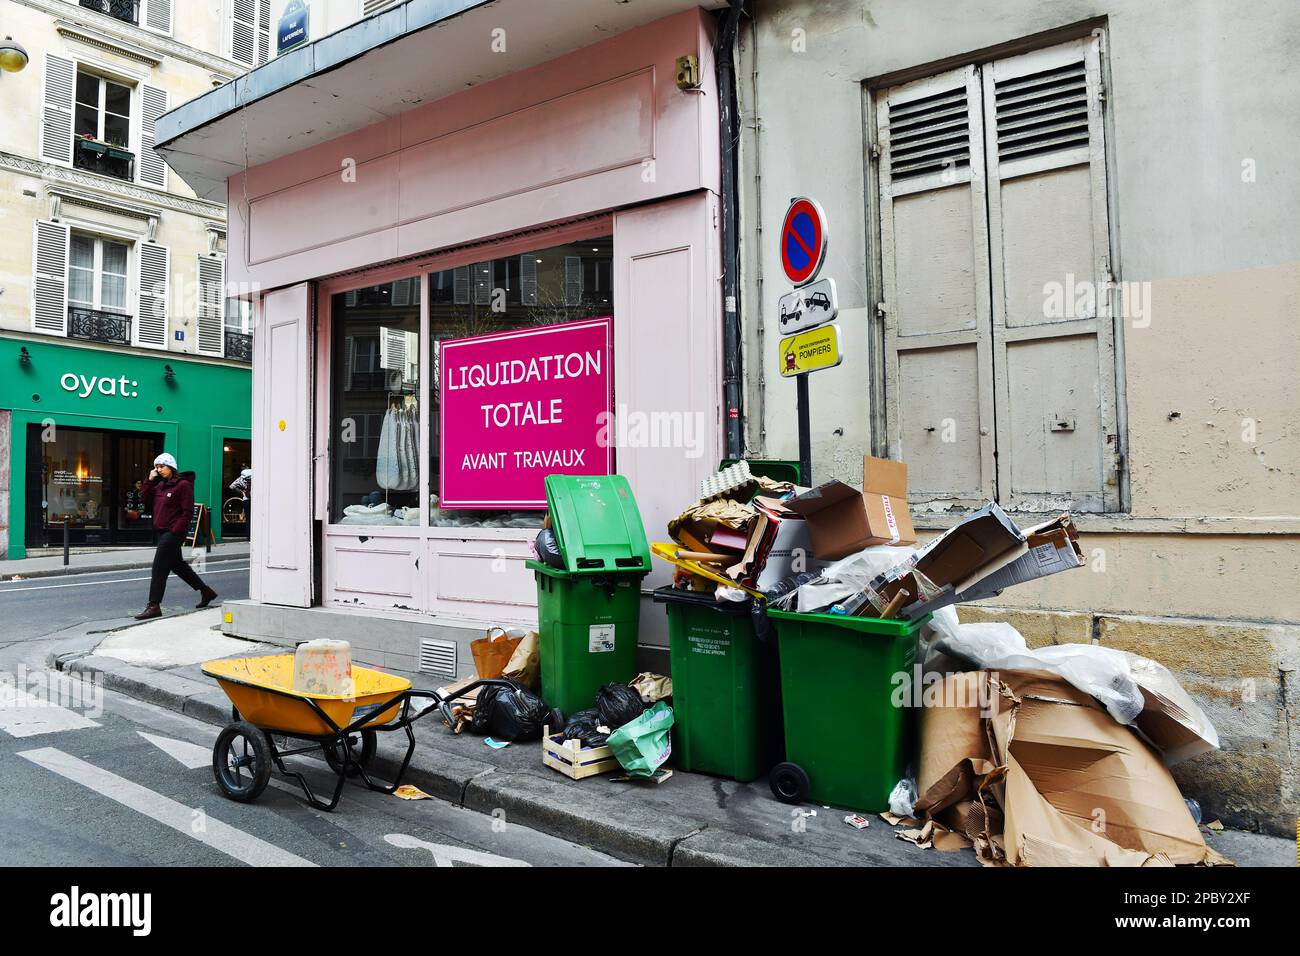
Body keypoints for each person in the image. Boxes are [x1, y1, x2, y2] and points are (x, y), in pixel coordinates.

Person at [133, 453, 218, 620]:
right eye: (157, 467)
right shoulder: (160, 486)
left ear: (171, 467)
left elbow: (187, 512)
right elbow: (145, 500)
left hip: (173, 533)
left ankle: (154, 605)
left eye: (162, 466)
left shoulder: (183, 485)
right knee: (178, 566)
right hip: (162, 532)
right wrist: (149, 480)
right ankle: (206, 591)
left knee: (159, 568)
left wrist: (175, 531)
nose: (159, 469)